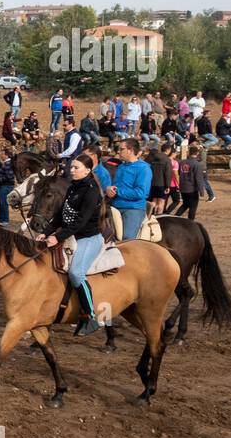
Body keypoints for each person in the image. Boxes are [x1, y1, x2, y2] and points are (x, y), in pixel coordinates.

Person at [38, 153, 105, 336]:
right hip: (70, 235)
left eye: (76, 168)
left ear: (88, 170)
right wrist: (45, 232)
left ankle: (90, 316)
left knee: (76, 273)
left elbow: (80, 222)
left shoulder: (91, 191)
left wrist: (58, 237)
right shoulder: (73, 187)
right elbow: (60, 216)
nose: (72, 170)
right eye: (72, 167)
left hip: (88, 238)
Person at [106, 138, 151, 240]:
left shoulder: (144, 168)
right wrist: (109, 189)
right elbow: (115, 186)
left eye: (121, 149)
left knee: (127, 239)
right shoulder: (121, 166)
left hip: (133, 209)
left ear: (130, 150)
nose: (118, 151)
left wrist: (117, 192)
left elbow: (141, 193)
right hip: (114, 206)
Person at [175, 146, 207, 220]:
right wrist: (201, 191)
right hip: (192, 189)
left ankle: (175, 217)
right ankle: (191, 222)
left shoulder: (182, 162)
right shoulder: (197, 164)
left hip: (183, 187)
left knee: (185, 204)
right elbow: (198, 179)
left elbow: (179, 173)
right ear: (197, 153)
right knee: (193, 207)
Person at [0, 147, 15, 225]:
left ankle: (5, 220)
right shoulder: (6, 163)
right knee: (1, 203)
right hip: (3, 186)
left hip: (6, 186)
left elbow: (9, 176)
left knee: (4, 203)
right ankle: (1, 218)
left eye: (2, 154)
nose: (1, 156)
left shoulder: (8, 163)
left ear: (6, 155)